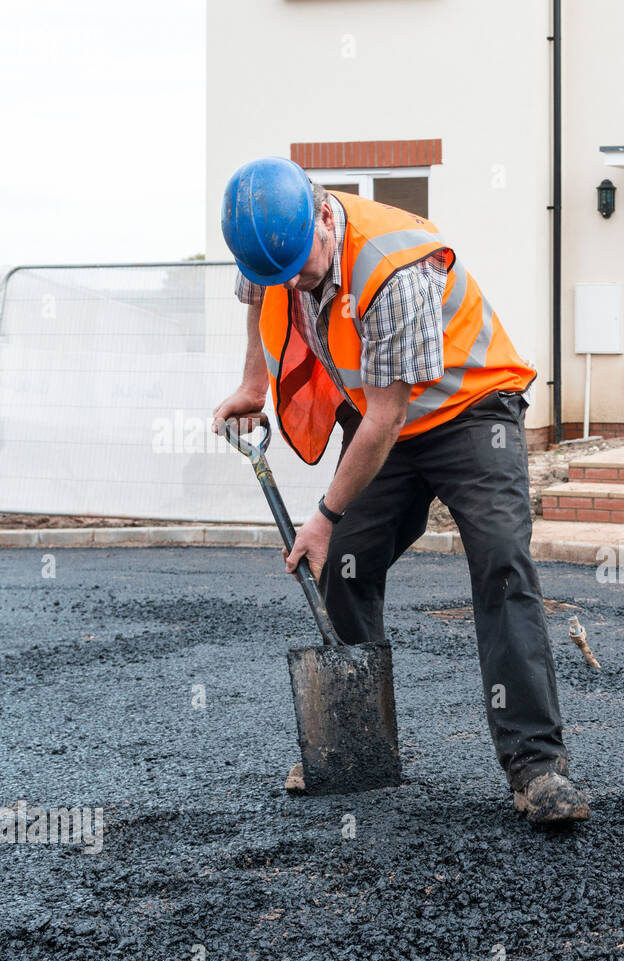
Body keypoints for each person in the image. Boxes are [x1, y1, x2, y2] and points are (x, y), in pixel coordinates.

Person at [214, 157, 588, 825]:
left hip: (470, 409)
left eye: (302, 267)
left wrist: (324, 515)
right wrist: (254, 382)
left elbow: (387, 417)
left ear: (326, 215)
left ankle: (536, 767)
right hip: (385, 418)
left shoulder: (393, 268)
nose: (293, 282)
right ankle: (357, 749)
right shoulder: (268, 239)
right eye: (280, 274)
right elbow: (258, 297)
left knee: (501, 560)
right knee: (346, 564)